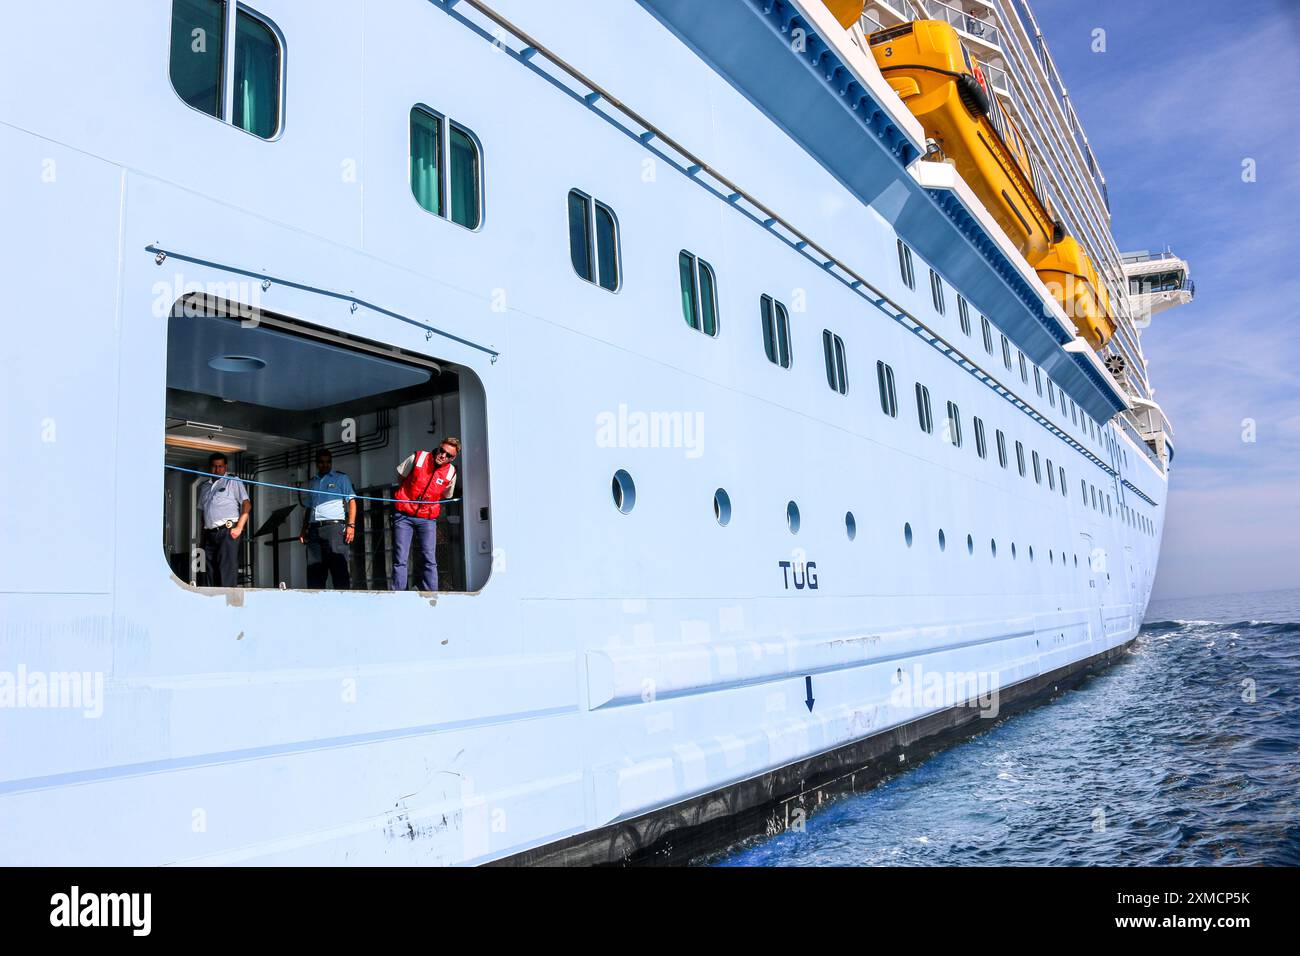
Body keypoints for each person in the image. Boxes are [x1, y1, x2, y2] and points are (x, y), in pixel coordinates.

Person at [390, 437, 459, 592]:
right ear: (439, 447)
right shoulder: (418, 457)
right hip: (404, 515)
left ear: (453, 458)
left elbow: (447, 495)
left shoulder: (451, 472)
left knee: (429, 558)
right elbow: (401, 477)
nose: (443, 455)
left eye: (448, 455)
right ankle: (398, 593)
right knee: (400, 558)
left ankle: (430, 594)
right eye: (442, 451)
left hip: (427, 519)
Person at [298, 449, 357, 589]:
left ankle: (343, 604)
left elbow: (352, 502)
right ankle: (316, 604)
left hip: (334, 528)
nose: (325, 465)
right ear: (316, 464)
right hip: (314, 529)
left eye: (328, 462)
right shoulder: (312, 482)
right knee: (314, 571)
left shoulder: (341, 478)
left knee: (339, 569)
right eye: (322, 462)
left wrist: (351, 525)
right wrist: (303, 530)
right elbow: (308, 508)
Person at [197, 452, 251, 587]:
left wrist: (239, 528)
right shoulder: (204, 486)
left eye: (220, 466)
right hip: (209, 533)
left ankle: (228, 604)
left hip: (227, 531)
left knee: (226, 569)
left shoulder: (232, 481)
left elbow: (246, 504)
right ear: (210, 467)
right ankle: (211, 603)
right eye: (214, 466)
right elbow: (203, 513)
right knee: (208, 570)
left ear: (225, 466)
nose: (217, 469)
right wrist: (202, 535)